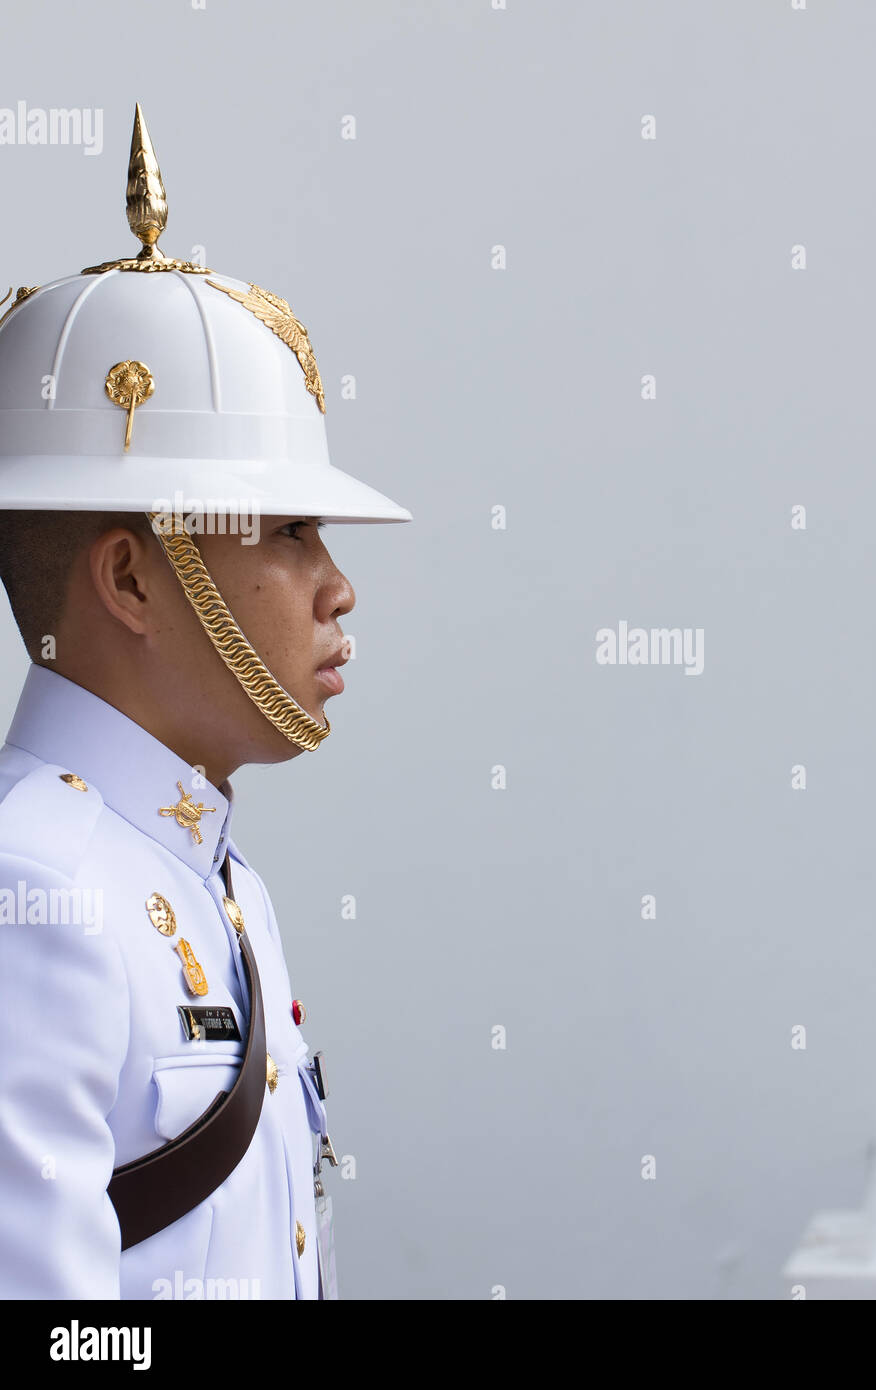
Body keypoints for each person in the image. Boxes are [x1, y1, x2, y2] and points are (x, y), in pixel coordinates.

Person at [0, 106, 410, 1299]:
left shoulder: (214, 878)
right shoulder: (39, 888)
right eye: (287, 531)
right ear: (131, 576)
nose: (337, 585)